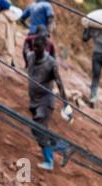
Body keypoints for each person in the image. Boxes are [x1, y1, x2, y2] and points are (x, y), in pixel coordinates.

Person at [27, 28, 70, 170]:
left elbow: (59, 82)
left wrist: (66, 104)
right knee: (37, 131)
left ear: (44, 48)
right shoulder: (31, 56)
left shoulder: (51, 63)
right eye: (34, 45)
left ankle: (50, 160)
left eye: (37, 47)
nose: (35, 48)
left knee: (39, 129)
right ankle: (63, 147)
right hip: (34, 100)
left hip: (46, 101)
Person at [0, 0, 20, 66]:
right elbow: (14, 37)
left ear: (1, 6)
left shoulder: (1, 18)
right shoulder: (12, 18)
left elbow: (1, 37)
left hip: (2, 53)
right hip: (10, 51)